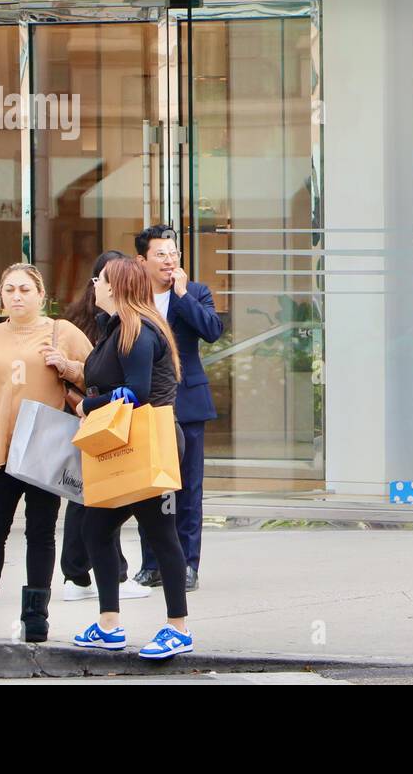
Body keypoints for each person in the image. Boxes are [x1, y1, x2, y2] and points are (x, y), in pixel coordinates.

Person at [0, 263, 92, 645]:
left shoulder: (64, 333)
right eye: (9, 290)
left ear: (41, 295)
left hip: (43, 452)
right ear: (1, 297)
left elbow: (100, 376)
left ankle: (36, 617)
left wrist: (69, 366)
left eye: (25, 289)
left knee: (41, 535)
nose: (17, 296)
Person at [73, 258, 194, 659]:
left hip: (148, 443)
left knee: (161, 534)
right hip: (124, 444)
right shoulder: (115, 330)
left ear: (117, 287)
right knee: (95, 528)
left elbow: (136, 392)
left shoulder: (137, 331)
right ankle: (109, 624)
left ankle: (178, 628)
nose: (95, 284)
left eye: (101, 280)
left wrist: (90, 404)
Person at [132, 225, 223, 592]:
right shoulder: (134, 298)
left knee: (188, 489)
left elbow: (213, 330)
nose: (169, 260)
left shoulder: (196, 292)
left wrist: (183, 294)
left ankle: (187, 565)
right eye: (161, 254)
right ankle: (152, 564)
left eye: (173, 254)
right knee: (148, 488)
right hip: (147, 404)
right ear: (142, 261)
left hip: (187, 403)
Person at [57, 249, 151, 603]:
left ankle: (84, 577)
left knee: (92, 499)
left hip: (99, 417)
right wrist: (86, 401)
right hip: (99, 421)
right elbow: (121, 385)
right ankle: (91, 577)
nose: (98, 285)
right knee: (95, 499)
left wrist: (85, 396)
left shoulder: (121, 325)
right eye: (101, 278)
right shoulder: (101, 325)